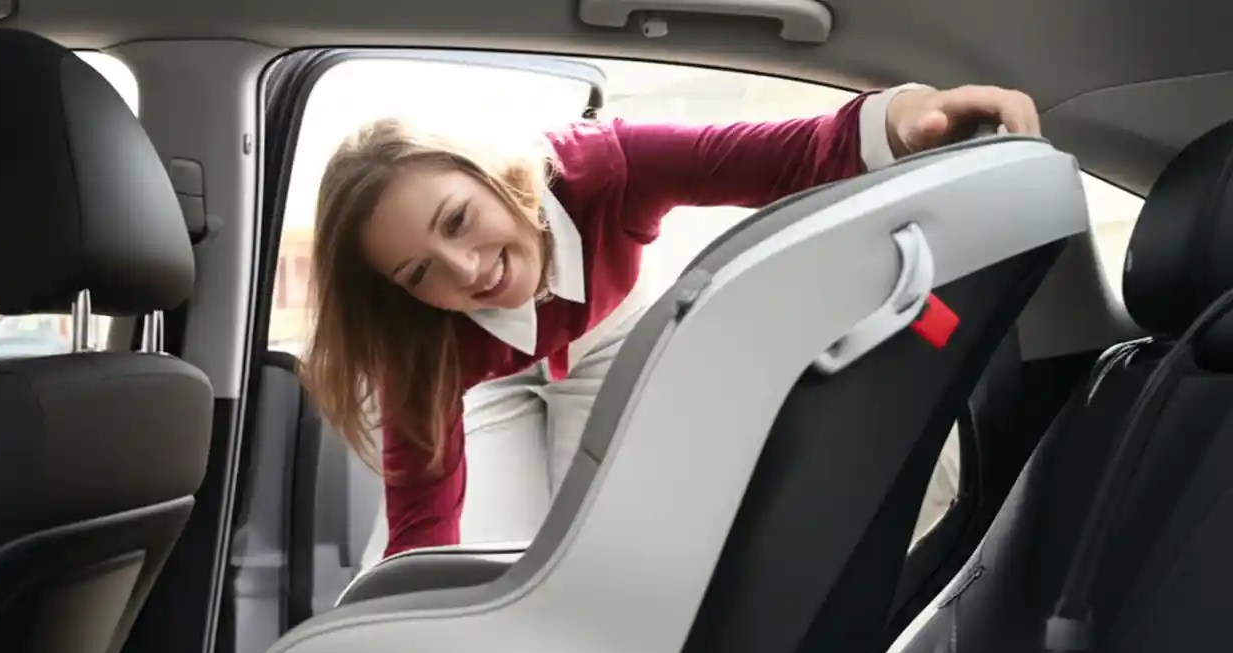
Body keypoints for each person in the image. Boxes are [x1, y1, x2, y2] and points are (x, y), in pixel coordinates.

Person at [300, 82, 1042, 560]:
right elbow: (422, 526)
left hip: (607, 335)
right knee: (472, 566)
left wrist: (906, 120)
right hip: (484, 380)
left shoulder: (604, 171)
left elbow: (792, 156)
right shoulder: (417, 338)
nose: (464, 271)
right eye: (419, 272)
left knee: (599, 547)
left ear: (489, 173)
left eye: (458, 219)